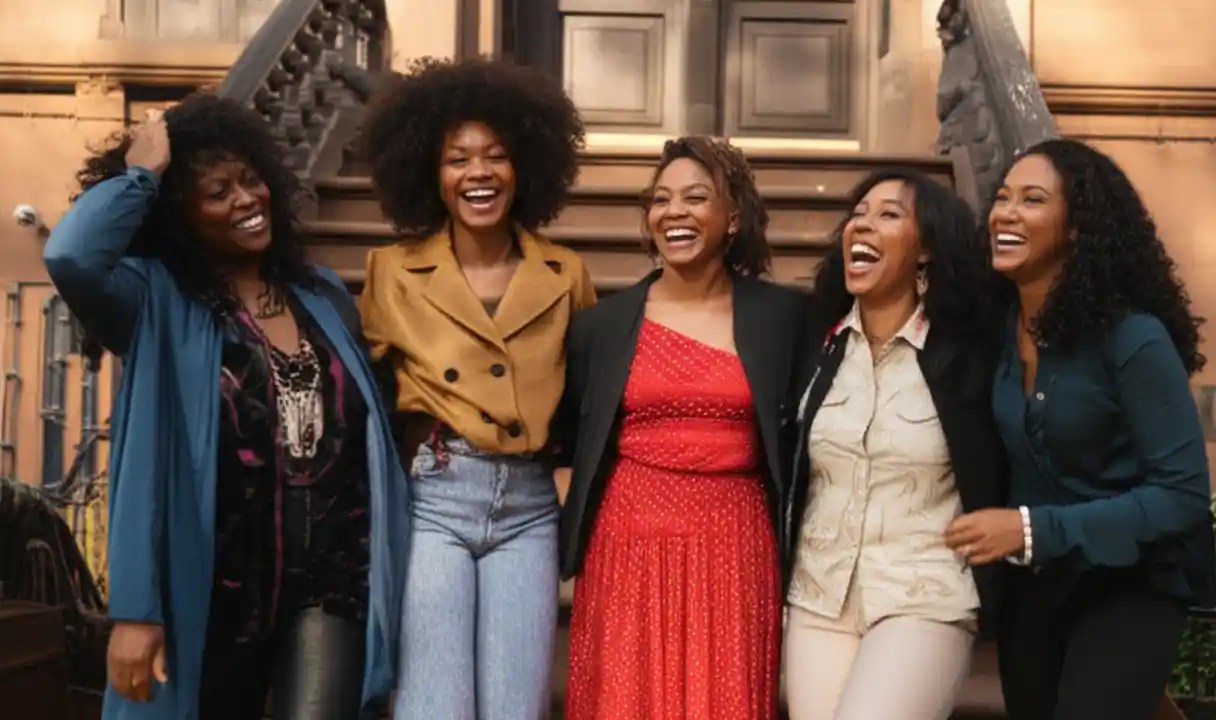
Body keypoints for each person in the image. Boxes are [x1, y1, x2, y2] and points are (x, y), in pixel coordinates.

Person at [44, 94, 407, 720]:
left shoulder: (319, 293)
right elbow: (70, 255)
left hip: (329, 582)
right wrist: (141, 173)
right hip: (213, 584)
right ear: (179, 215)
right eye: (218, 192)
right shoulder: (154, 301)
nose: (246, 199)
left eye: (250, 179)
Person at [945, 138, 1216, 719]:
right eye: (1002, 197)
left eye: (1033, 200)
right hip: (1036, 589)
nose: (1005, 213)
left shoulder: (1133, 340)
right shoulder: (992, 329)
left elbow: (1183, 495)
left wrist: (1030, 527)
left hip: (1131, 580)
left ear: (1076, 229)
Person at [358, 57, 595, 719]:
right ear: (431, 175)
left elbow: (582, 394)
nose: (478, 174)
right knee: (435, 704)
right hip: (436, 493)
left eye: (496, 156)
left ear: (526, 168)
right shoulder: (392, 271)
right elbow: (372, 397)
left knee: (516, 706)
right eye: (457, 159)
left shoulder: (564, 272)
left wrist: (570, 470)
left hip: (529, 504)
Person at [557, 136, 805, 720]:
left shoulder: (784, 319)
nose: (676, 212)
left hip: (736, 541)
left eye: (697, 198)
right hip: (627, 543)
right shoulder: (601, 326)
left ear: (733, 217)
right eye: (661, 199)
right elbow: (567, 440)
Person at [782, 168, 1005, 719]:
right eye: (858, 213)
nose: (863, 224)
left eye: (888, 214)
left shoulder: (969, 353)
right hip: (817, 596)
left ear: (925, 249)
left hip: (926, 594)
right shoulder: (816, 342)